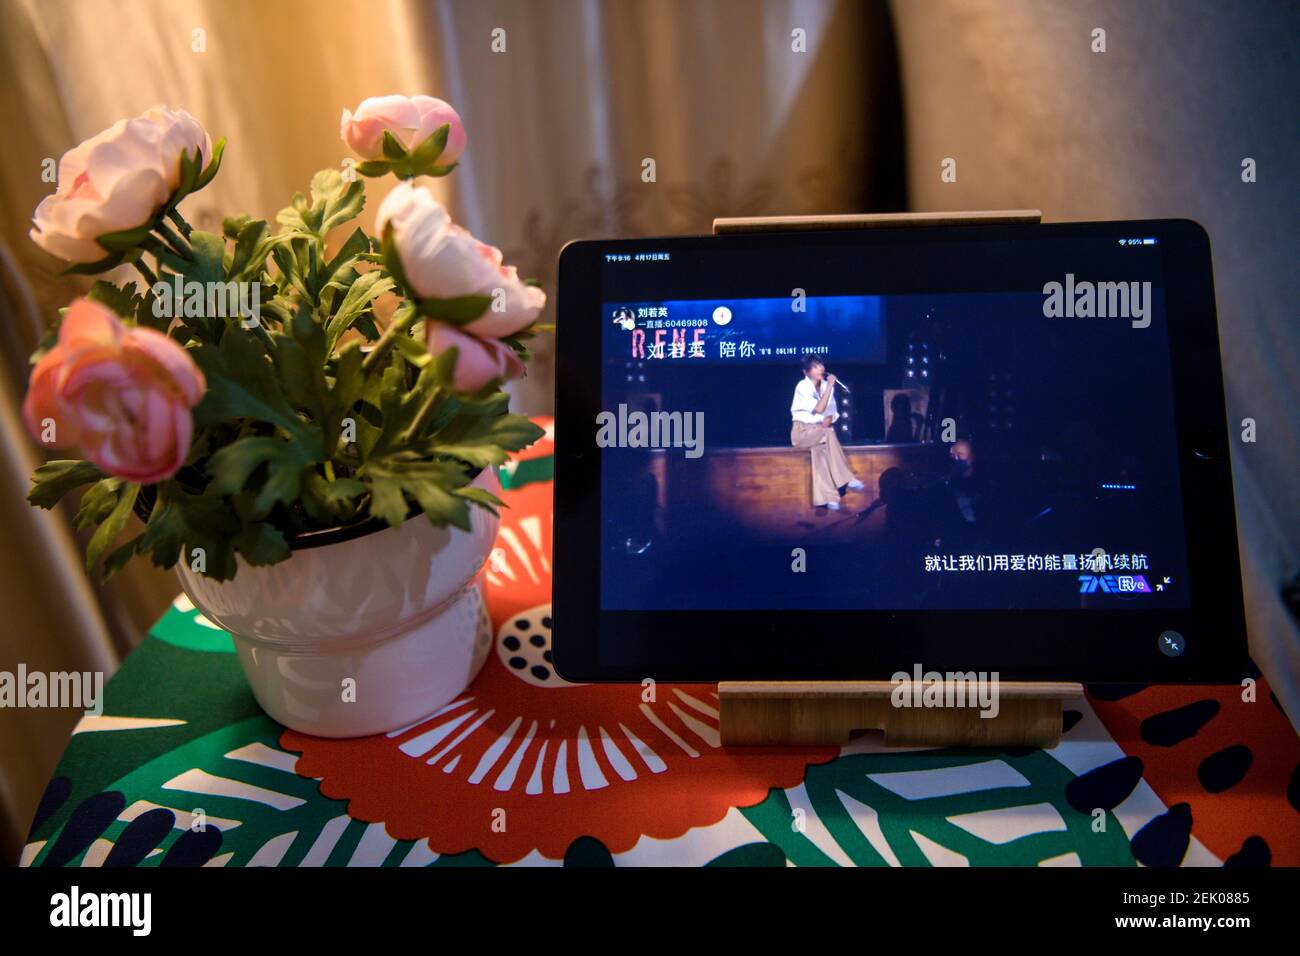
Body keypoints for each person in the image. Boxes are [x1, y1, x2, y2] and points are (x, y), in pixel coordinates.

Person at [790, 355, 864, 510]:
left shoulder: (825, 386)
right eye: (816, 366)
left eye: (821, 365)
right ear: (806, 372)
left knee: (820, 450)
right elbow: (819, 409)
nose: (821, 368)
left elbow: (831, 414)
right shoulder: (802, 387)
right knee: (828, 433)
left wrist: (824, 421)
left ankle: (829, 498)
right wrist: (830, 386)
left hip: (818, 431)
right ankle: (846, 479)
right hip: (801, 431)